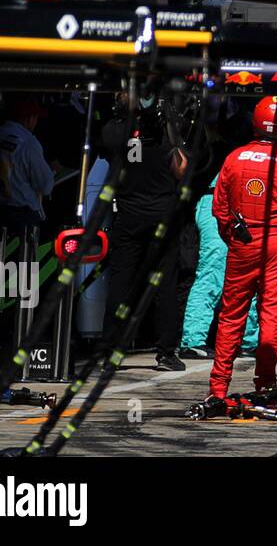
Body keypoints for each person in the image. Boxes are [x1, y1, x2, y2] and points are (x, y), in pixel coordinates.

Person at [205, 97, 277, 402]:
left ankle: (217, 389)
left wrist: (234, 238)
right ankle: (265, 384)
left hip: (243, 243)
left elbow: (220, 208)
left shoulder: (234, 157)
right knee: (273, 315)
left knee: (231, 316)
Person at [101, 95, 188, 372]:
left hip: (126, 213)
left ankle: (111, 352)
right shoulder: (165, 131)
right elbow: (182, 169)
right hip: (160, 213)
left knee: (120, 283)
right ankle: (166, 352)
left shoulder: (114, 130)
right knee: (165, 285)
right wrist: (172, 132)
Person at [179, 174, 260, 359]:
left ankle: (246, 341)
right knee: (213, 273)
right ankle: (193, 341)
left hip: (234, 199)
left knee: (243, 274)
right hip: (221, 199)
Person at [0, 97, 54, 231]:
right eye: (36, 118)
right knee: (21, 252)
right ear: (28, 119)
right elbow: (45, 186)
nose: (36, 122)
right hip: (20, 216)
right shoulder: (28, 143)